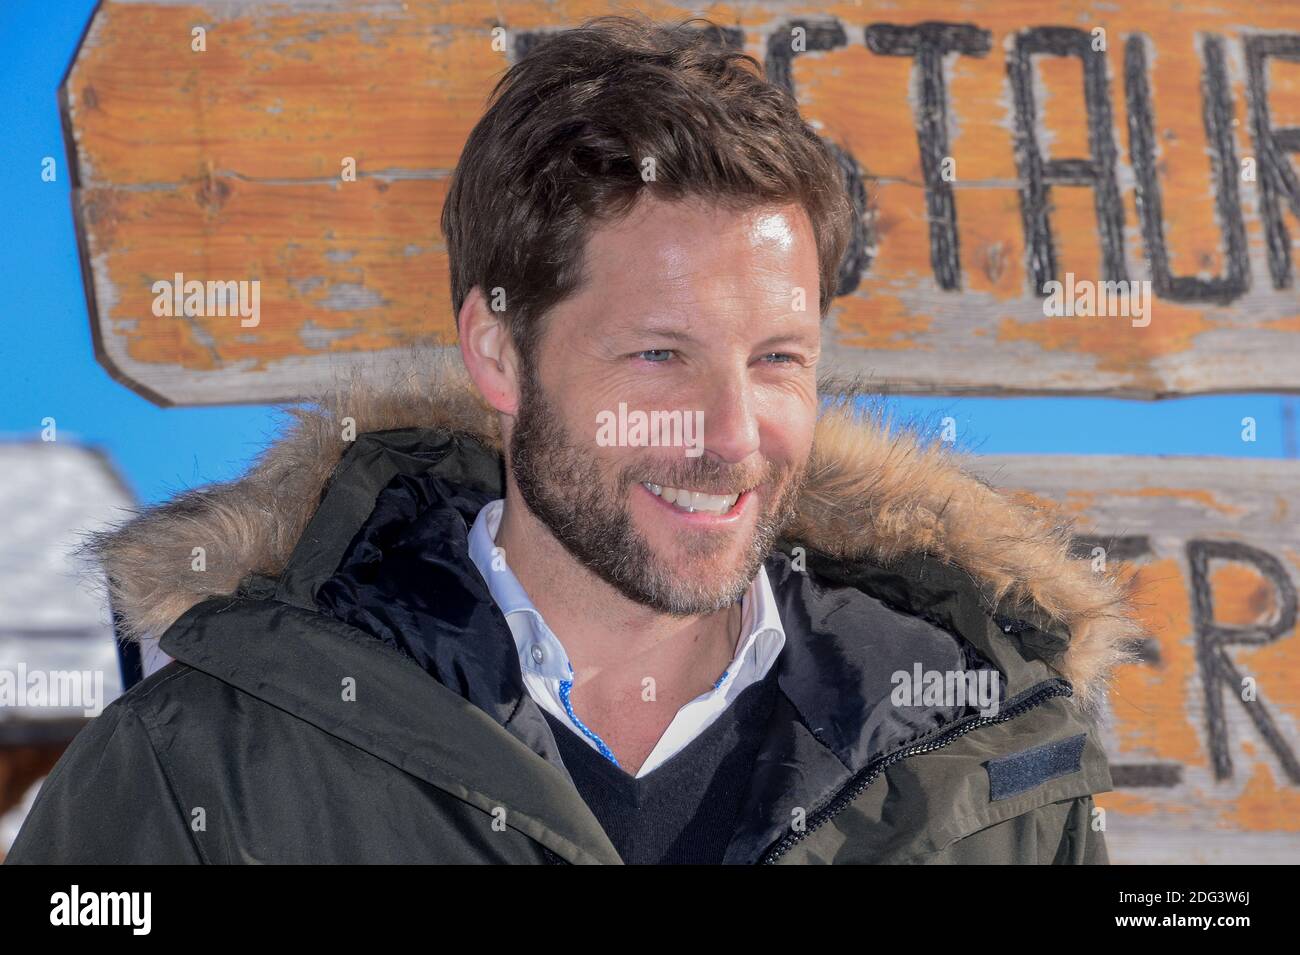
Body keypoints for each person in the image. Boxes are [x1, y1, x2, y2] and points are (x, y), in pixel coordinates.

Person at [6, 13, 1145, 865]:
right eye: (658, 355)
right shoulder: (211, 769)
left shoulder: (995, 774)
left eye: (777, 359)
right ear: (498, 354)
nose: (731, 436)